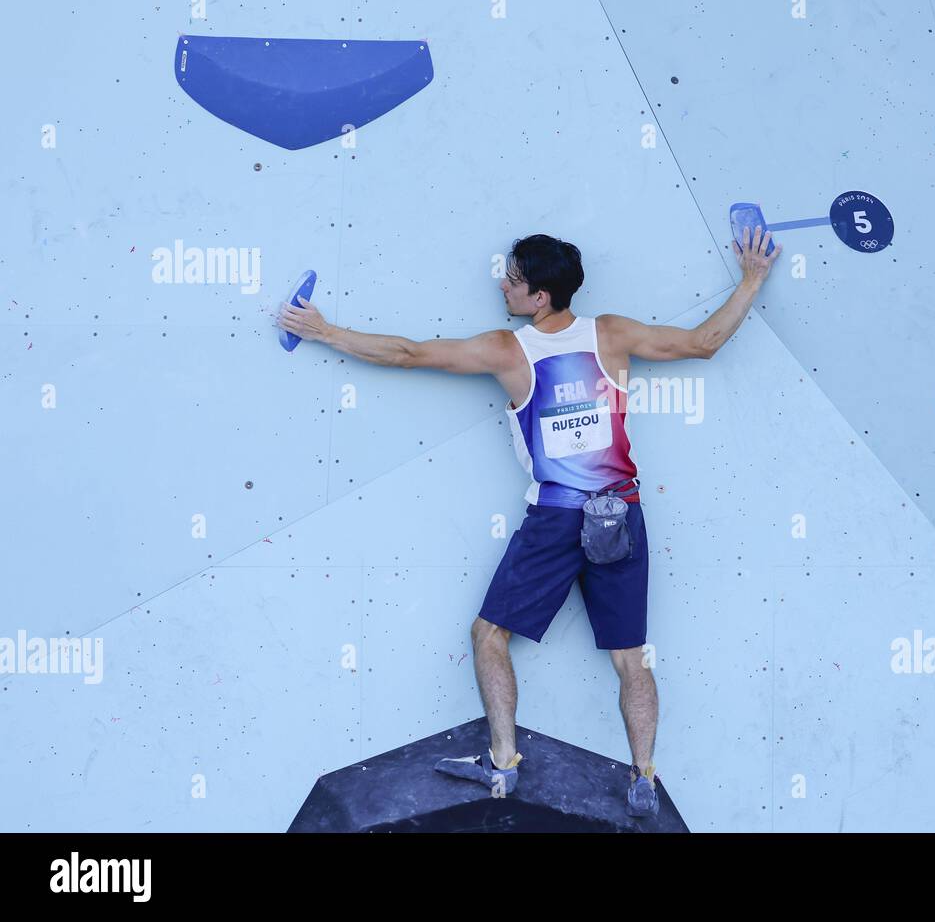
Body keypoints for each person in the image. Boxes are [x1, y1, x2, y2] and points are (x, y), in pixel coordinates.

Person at [278, 226, 780, 817]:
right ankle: (643, 778)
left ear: (539, 296)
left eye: (514, 279)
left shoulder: (509, 350)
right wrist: (752, 279)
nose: (503, 284)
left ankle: (503, 763)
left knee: (489, 636)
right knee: (631, 655)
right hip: (621, 515)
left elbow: (409, 353)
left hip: (557, 520)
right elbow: (704, 342)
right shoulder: (612, 335)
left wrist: (323, 330)